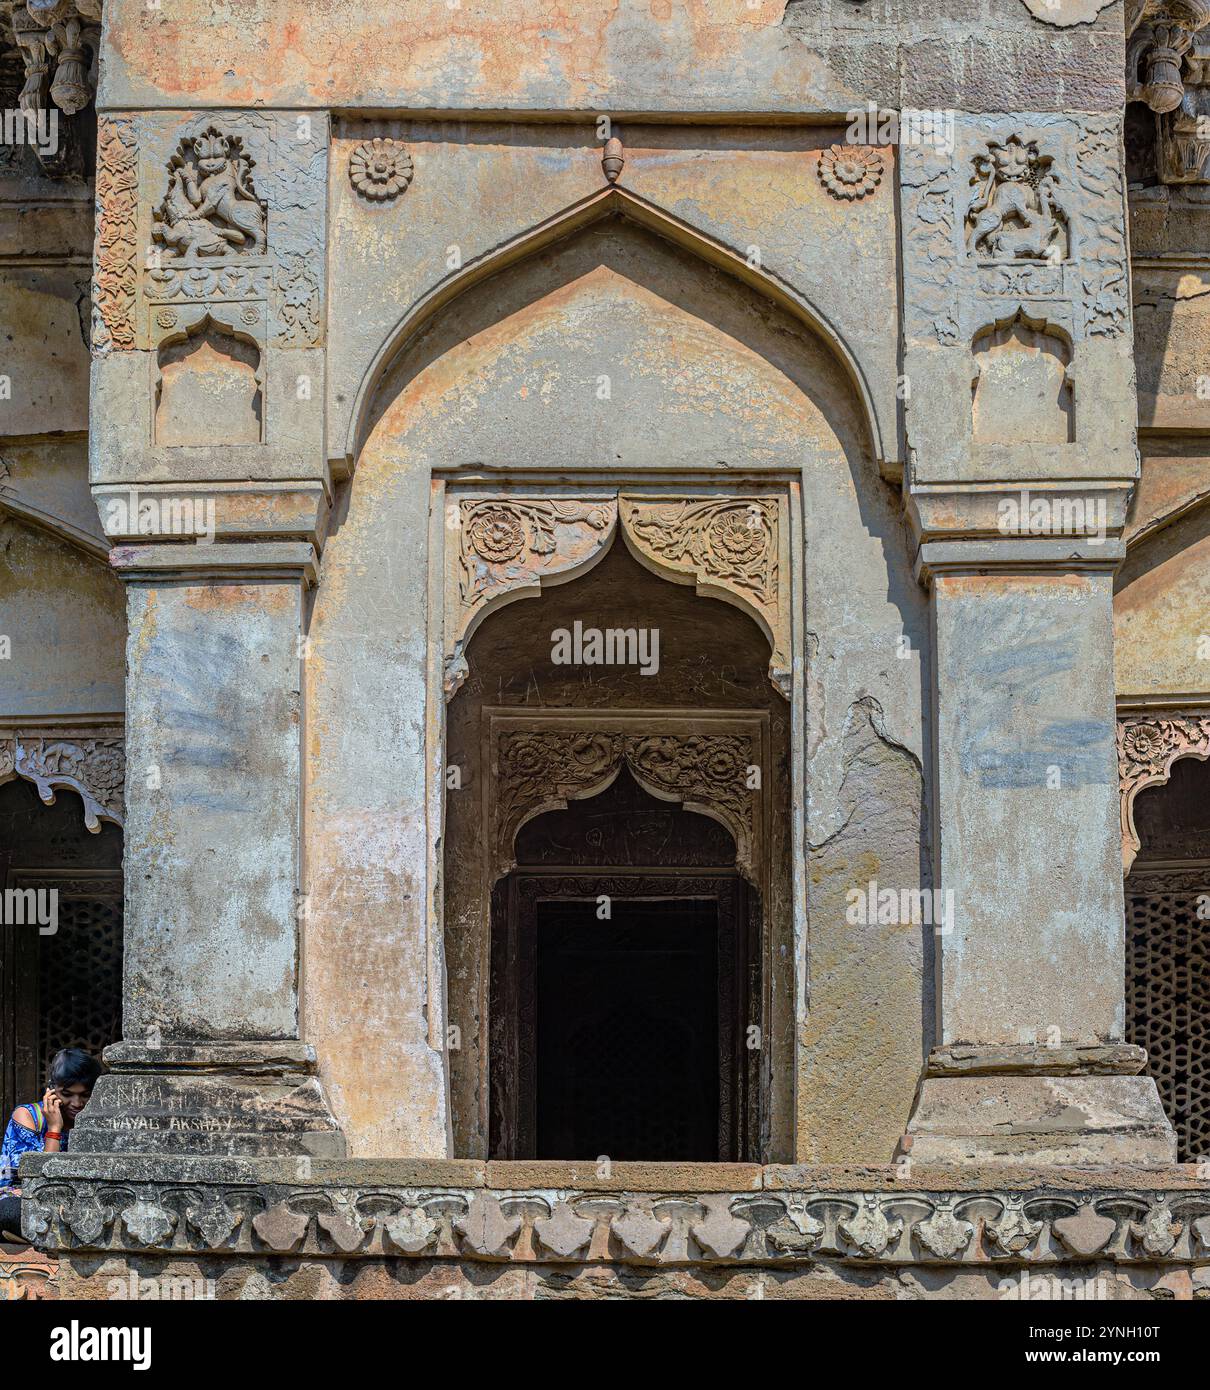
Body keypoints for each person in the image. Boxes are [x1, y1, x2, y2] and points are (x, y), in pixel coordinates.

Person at [0, 1048, 102, 1240]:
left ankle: (34, 1235)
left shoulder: (98, 1122)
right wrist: (54, 1128)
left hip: (72, 1203)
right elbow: (42, 1184)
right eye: (67, 1094)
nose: (77, 1103)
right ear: (51, 1090)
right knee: (10, 1212)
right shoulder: (28, 1116)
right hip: (24, 1199)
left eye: (85, 1095)